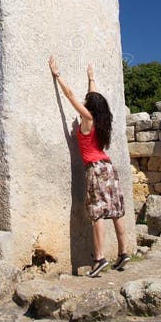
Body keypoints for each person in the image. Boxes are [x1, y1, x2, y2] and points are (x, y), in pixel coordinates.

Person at [49, 56, 130, 277]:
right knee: (116, 211)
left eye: (87, 103)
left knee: (97, 214)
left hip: (95, 169)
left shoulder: (87, 118)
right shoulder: (102, 120)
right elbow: (94, 99)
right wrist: (91, 78)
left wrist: (58, 76)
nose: (84, 103)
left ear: (89, 108)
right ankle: (123, 253)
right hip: (109, 168)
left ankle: (100, 257)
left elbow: (70, 96)